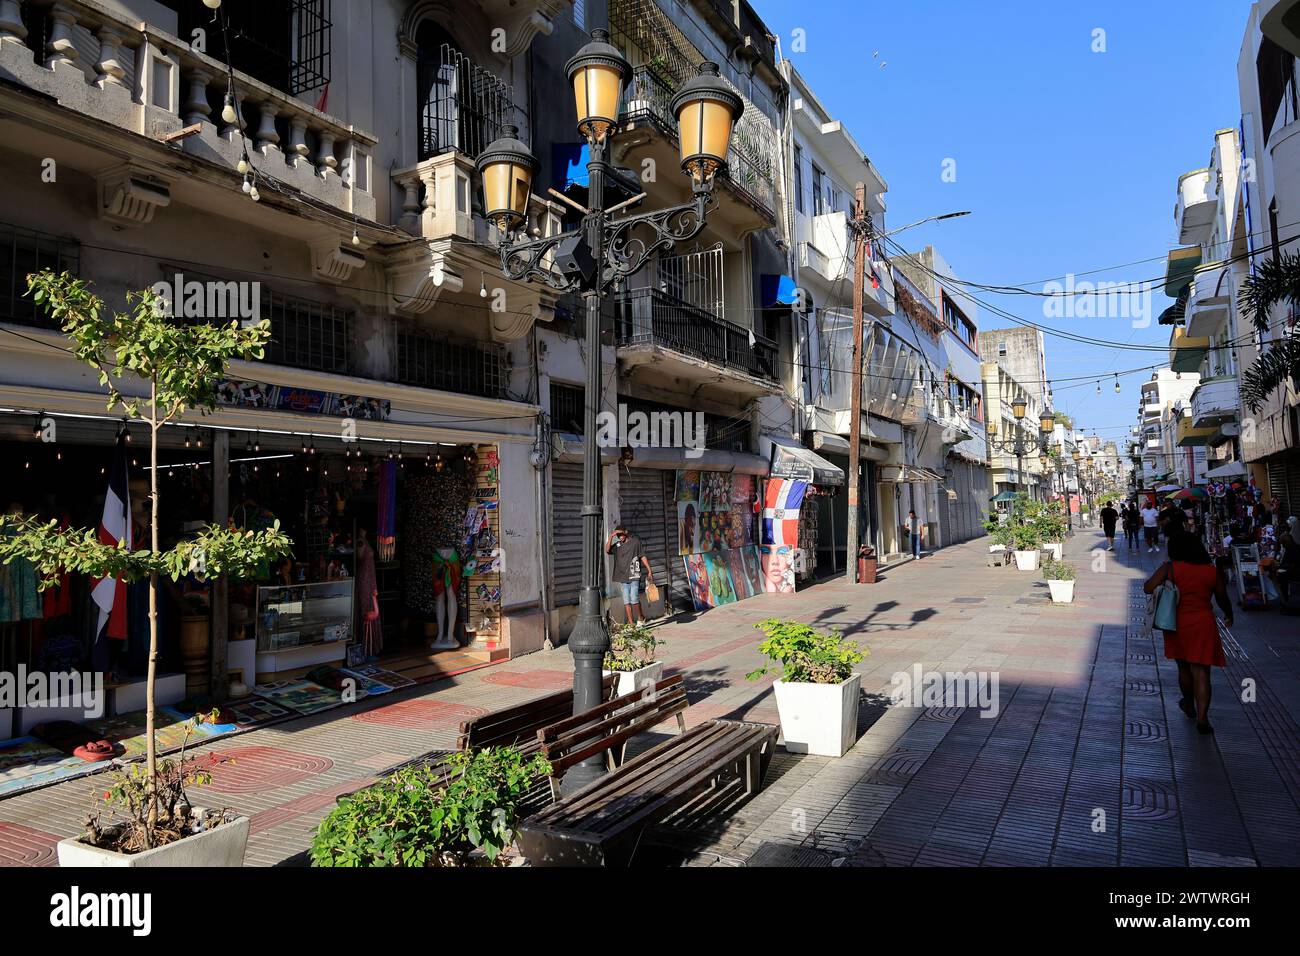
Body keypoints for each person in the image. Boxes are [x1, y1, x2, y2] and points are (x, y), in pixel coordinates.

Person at [1143, 531, 1234, 735]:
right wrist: (1229, 615)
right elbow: (1222, 597)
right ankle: (1203, 718)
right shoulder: (1211, 571)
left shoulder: (1170, 568)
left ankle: (1189, 703)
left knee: (1183, 667)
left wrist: (1168, 583)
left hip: (1177, 622)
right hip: (1203, 623)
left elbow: (1147, 588)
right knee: (1201, 671)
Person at [606, 523, 652, 624]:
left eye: (621, 534)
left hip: (634, 574)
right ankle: (631, 623)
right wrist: (611, 536)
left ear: (626, 533)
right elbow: (607, 550)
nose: (620, 537)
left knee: (634, 598)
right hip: (622, 576)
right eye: (618, 536)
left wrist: (649, 570)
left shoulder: (635, 542)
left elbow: (642, 556)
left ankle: (640, 618)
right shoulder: (618, 545)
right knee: (627, 600)